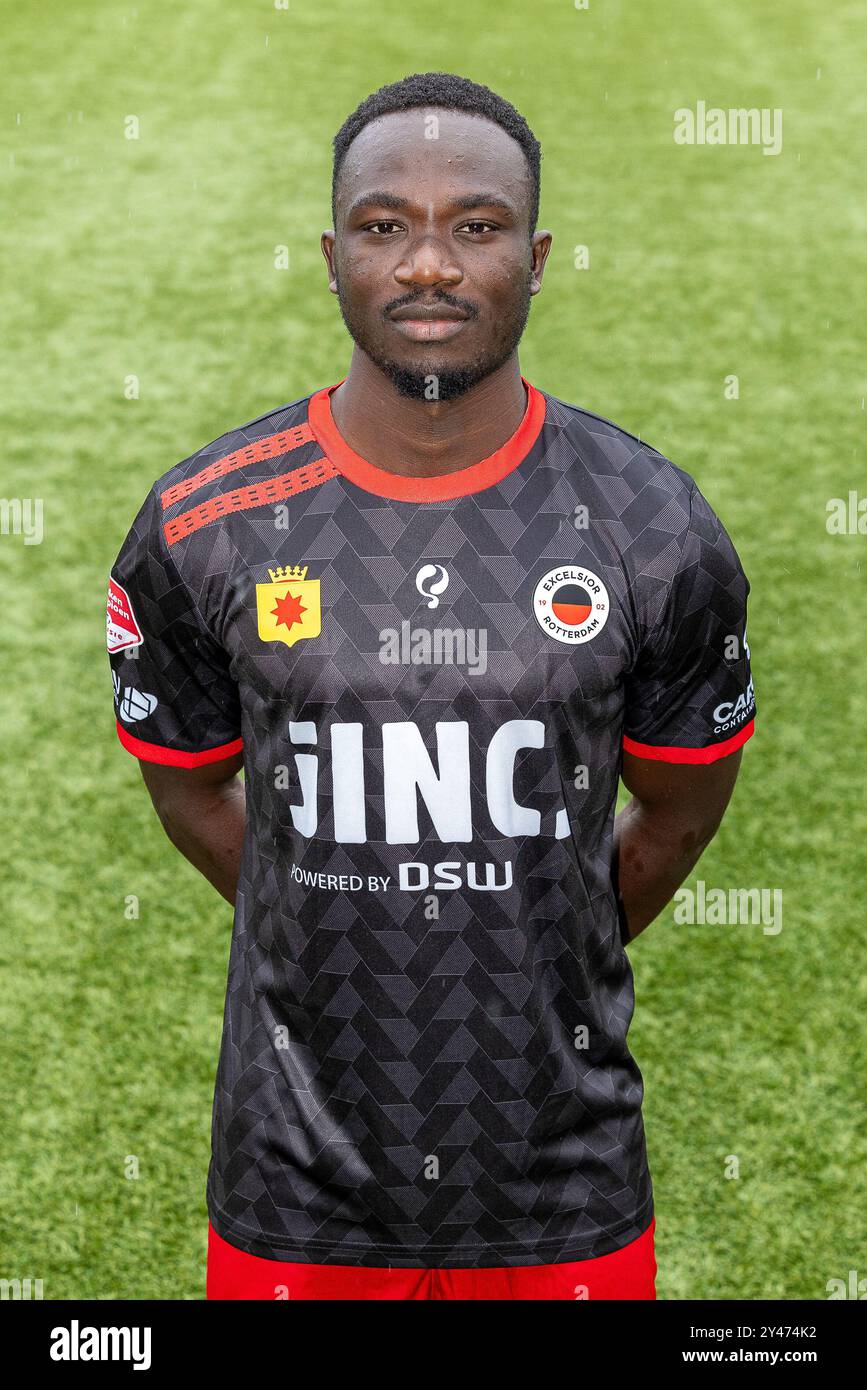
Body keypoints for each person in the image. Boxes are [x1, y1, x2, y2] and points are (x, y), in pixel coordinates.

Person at [106, 72, 755, 1300]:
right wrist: (326, 911)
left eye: (477, 224)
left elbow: (678, 811)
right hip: (293, 1187)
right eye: (385, 224)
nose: (429, 266)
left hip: (561, 1184)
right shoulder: (206, 525)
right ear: (332, 253)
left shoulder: (651, 525)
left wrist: (541, 927)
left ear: (539, 254)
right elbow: (191, 794)